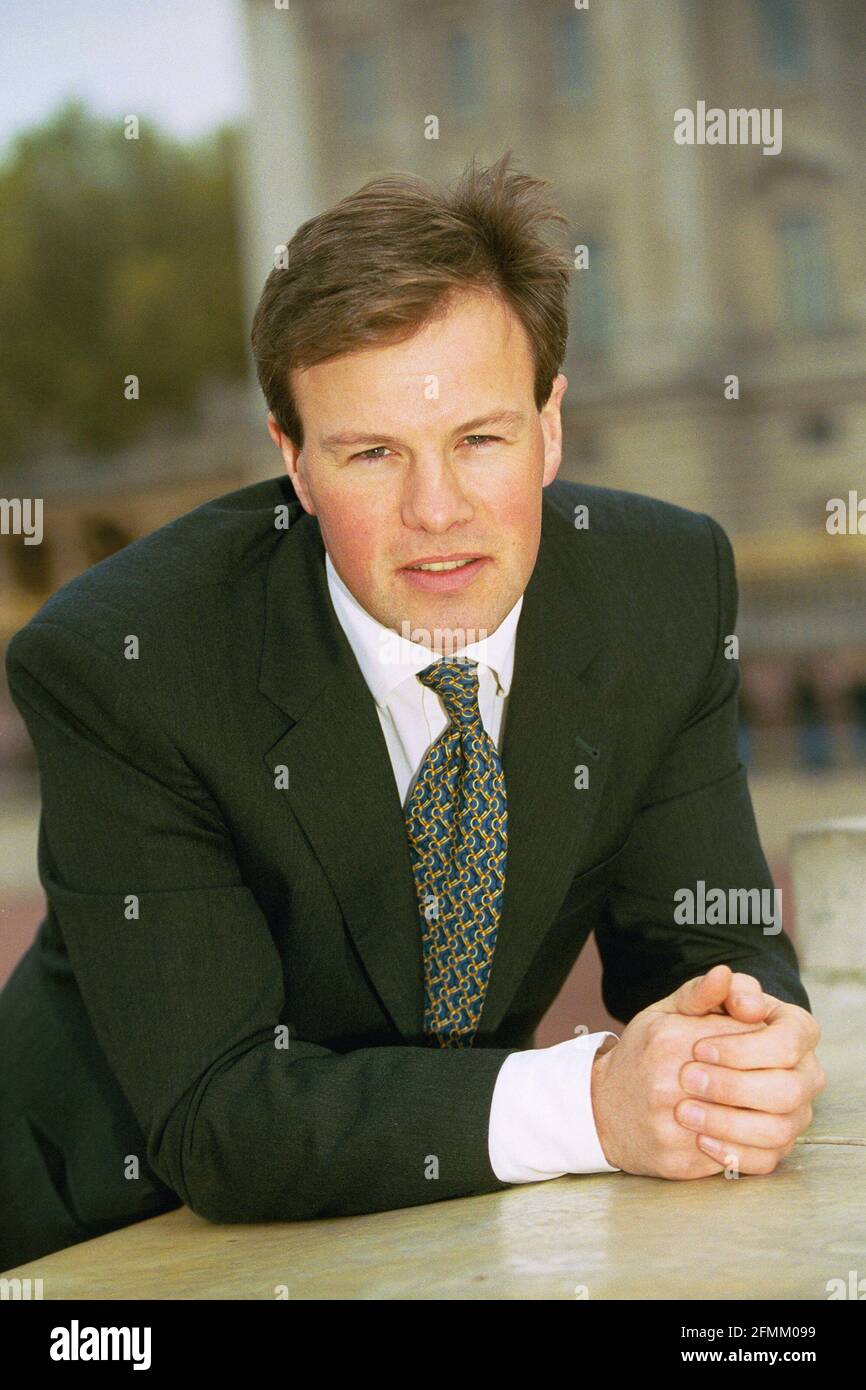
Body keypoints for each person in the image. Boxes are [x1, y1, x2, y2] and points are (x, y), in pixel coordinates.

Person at [0, 153, 823, 1271]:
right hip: (98, 1227)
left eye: (479, 439)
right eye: (371, 452)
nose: (435, 512)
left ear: (551, 424)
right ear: (292, 459)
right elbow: (220, 1116)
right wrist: (591, 1103)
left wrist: (738, 1056)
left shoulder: (661, 587)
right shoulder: (126, 659)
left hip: (432, 1210)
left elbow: (704, 941)